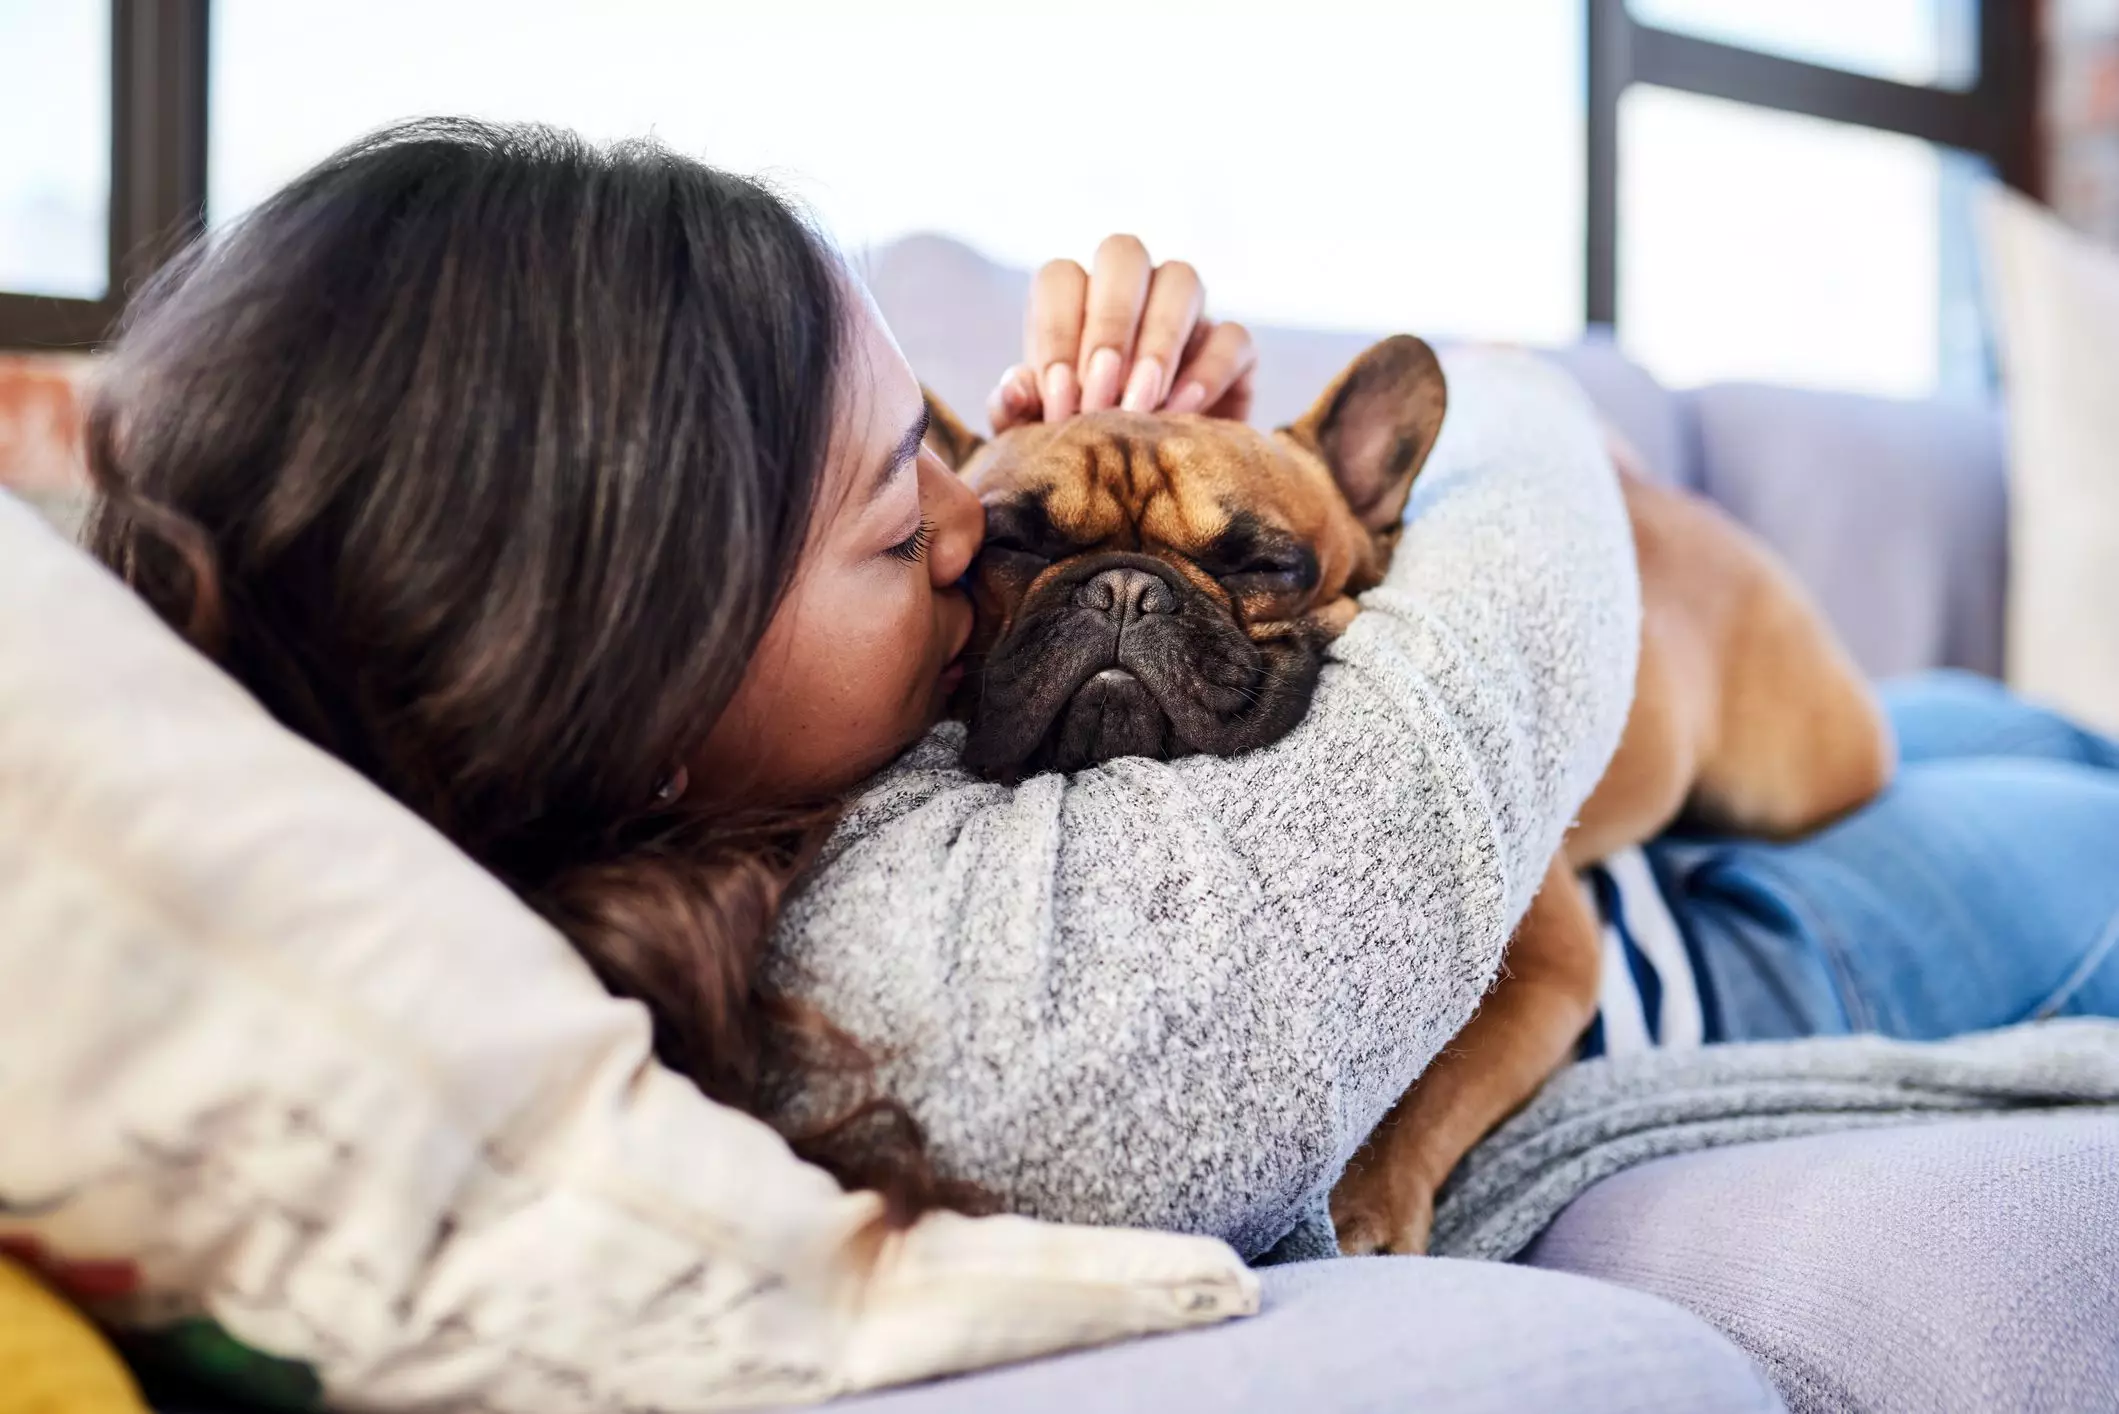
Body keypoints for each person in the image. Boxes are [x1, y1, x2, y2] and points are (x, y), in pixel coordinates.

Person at [86, 119, 2119, 1269]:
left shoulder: (676, 853)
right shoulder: (1024, 996)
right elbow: (1539, 467)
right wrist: (1316, 494)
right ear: (649, 669)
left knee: (1970, 720)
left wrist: (1143, 490)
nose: (984, 554)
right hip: (1755, 934)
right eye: (923, 525)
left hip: (1717, 789)